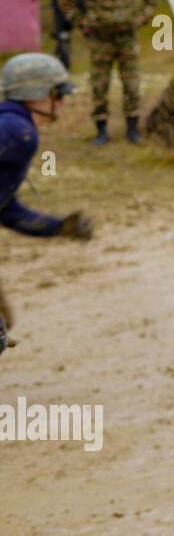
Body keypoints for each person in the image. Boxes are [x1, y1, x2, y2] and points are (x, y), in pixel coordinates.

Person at [0, 53, 95, 350]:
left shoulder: (11, 123)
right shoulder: (18, 132)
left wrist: (56, 227)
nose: (63, 103)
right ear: (39, 94)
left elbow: (6, 209)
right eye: (58, 94)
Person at [57, 0, 158, 146]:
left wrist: (142, 18)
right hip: (100, 39)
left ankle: (133, 129)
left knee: (132, 83)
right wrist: (82, 22)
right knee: (100, 84)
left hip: (127, 38)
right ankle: (101, 129)